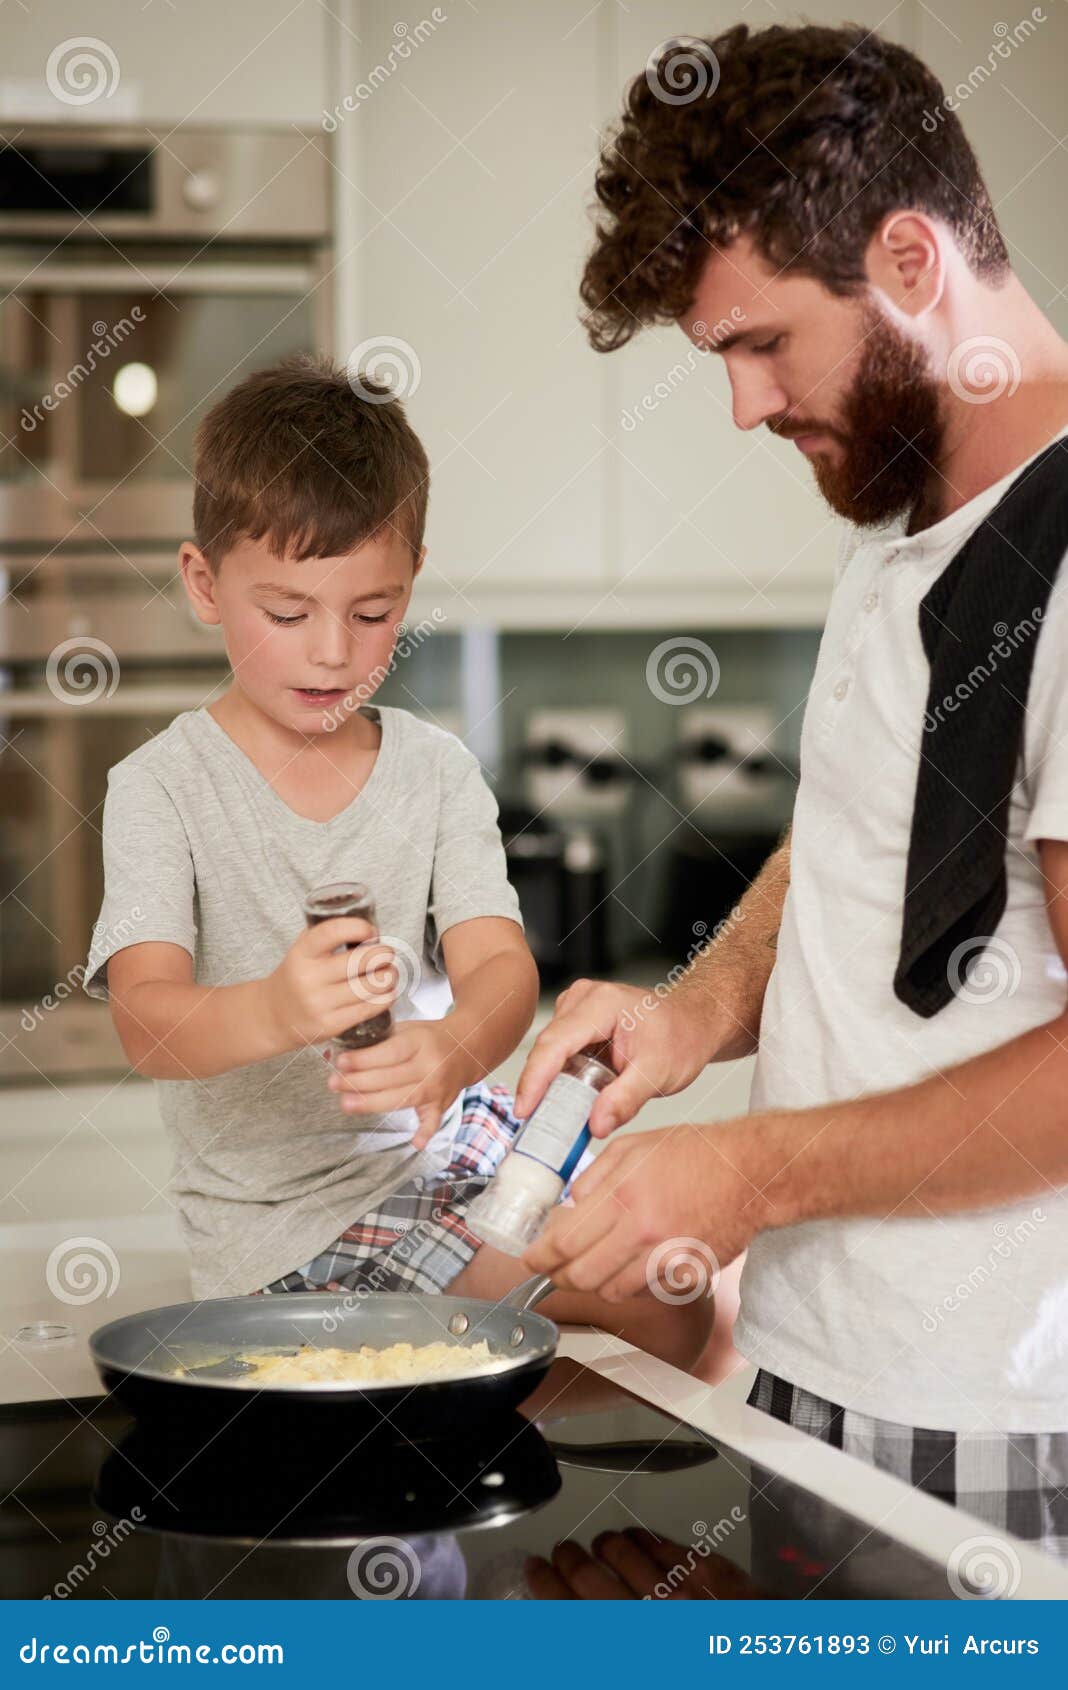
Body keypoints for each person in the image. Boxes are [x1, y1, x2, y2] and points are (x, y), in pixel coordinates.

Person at [517, 23, 1068, 1553]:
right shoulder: (902, 522)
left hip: (997, 1429)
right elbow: (858, 839)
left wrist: (747, 1172)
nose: (746, 408)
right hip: (822, 1377)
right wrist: (690, 1013)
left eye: (763, 343)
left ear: (909, 257)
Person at [81, 357, 710, 1369]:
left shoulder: (435, 770)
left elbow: (502, 970)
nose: (333, 652)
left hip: (447, 1161)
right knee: (653, 1299)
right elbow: (146, 1022)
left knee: (681, 1284)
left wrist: (457, 1047)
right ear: (204, 584)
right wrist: (278, 1010)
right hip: (284, 1246)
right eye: (288, 613)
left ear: (413, 580)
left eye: (372, 614)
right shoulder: (163, 787)